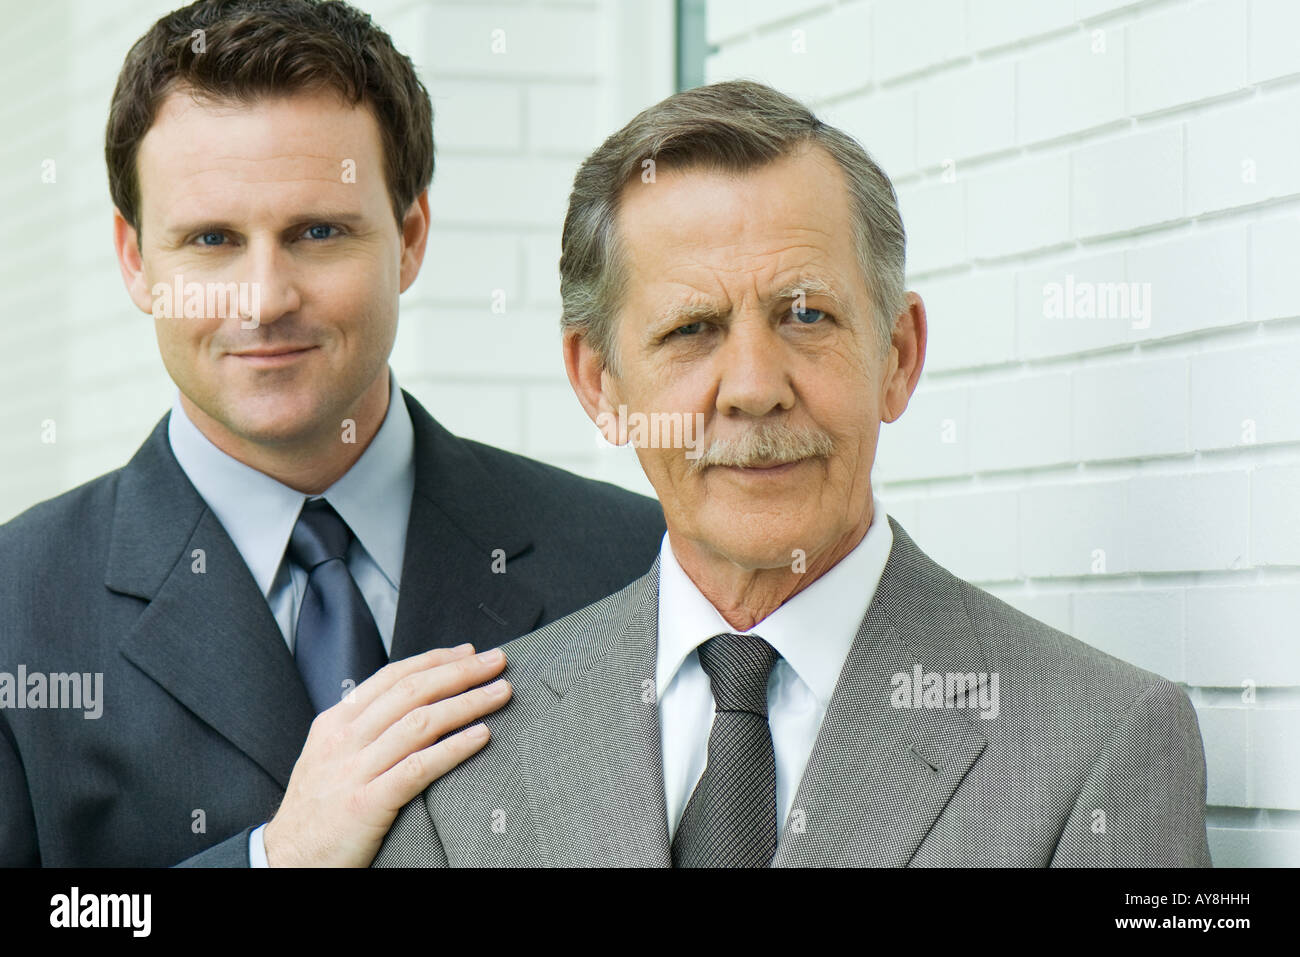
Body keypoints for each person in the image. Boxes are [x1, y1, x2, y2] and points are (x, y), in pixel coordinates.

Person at [373, 79, 1213, 867]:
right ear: (601, 382)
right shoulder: (464, 758)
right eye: (693, 328)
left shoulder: (1102, 742)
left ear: (898, 355)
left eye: (806, 315)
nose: (753, 388)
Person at [0, 0, 664, 868]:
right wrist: (272, 861)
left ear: (410, 238)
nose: (265, 298)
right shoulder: (18, 608)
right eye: (211, 239)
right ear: (136, 260)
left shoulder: (630, 562)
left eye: (318, 232)